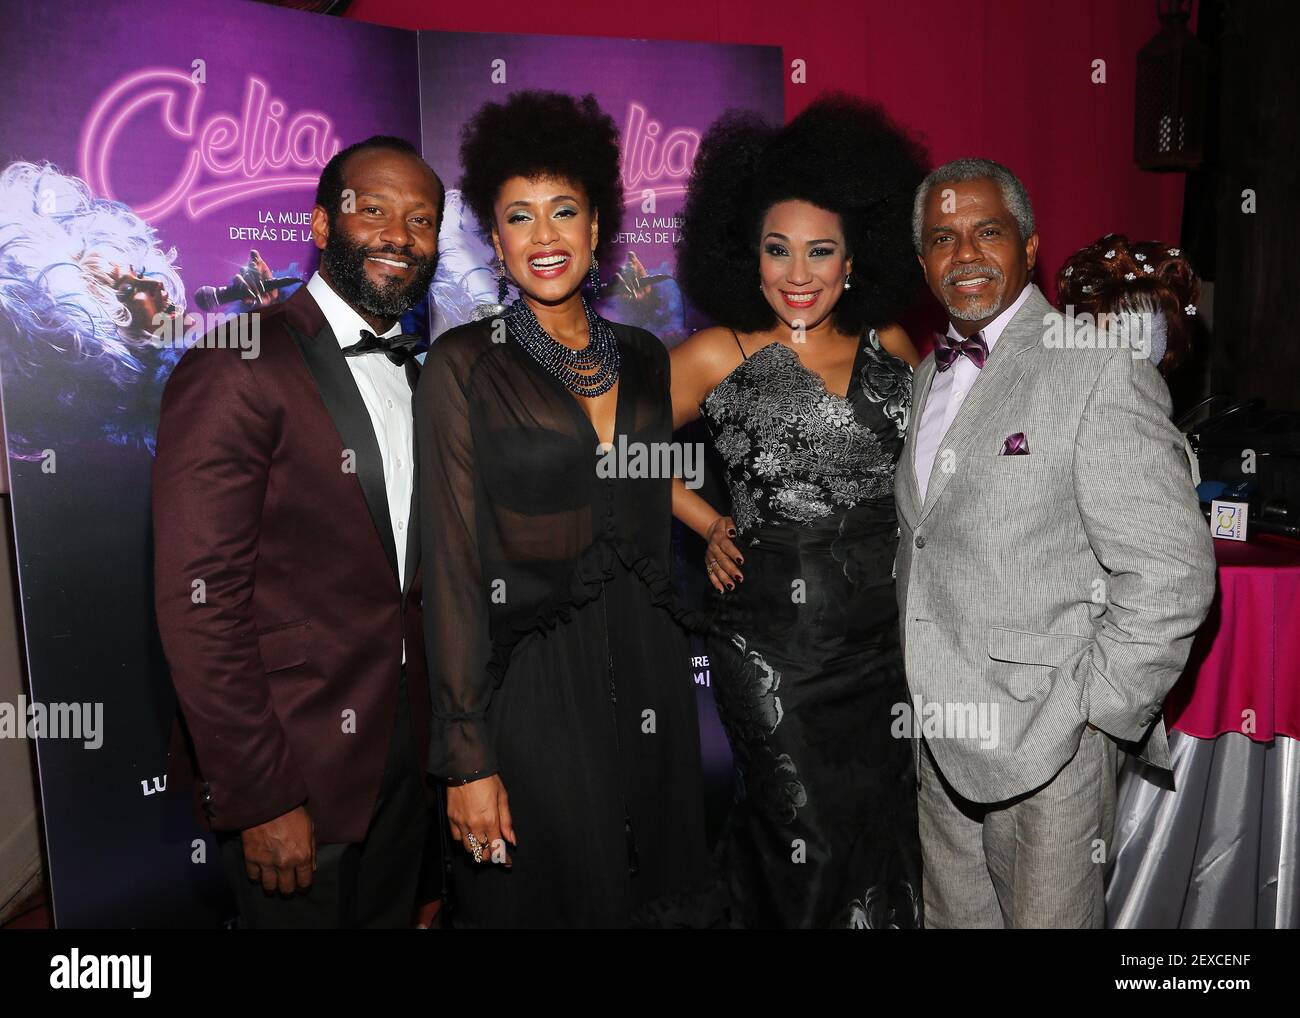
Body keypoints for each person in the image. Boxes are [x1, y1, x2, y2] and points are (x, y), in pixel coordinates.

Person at [897, 157, 1216, 928]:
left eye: (987, 232)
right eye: (943, 238)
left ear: (1031, 247)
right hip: (939, 739)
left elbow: (1173, 573)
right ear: (922, 262)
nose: (965, 254)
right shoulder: (925, 378)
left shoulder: (1098, 363)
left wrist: (1093, 715)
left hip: (1051, 748)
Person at [416, 90, 708, 928]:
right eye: (519, 217)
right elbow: (453, 564)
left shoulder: (648, 357)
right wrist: (468, 759)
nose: (544, 237)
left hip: (650, 665)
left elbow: (640, 476)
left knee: (655, 887)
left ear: (597, 226)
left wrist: (712, 522)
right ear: (495, 239)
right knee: (549, 894)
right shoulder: (464, 366)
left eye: (564, 211)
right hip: (532, 686)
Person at [152, 135, 444, 928]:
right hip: (296, 764)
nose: (399, 233)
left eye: (422, 220)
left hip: (405, 759)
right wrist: (260, 796)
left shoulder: (425, 375)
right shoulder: (238, 362)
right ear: (320, 225)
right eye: (373, 209)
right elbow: (197, 601)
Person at [666, 95, 927, 928]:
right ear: (750, 255)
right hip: (775, 645)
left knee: (882, 837)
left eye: (822, 251)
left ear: (856, 259)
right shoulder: (717, 352)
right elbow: (606, 448)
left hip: (889, 638)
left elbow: (929, 478)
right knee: (799, 831)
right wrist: (708, 522)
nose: (799, 272)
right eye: (779, 250)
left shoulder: (891, 343)